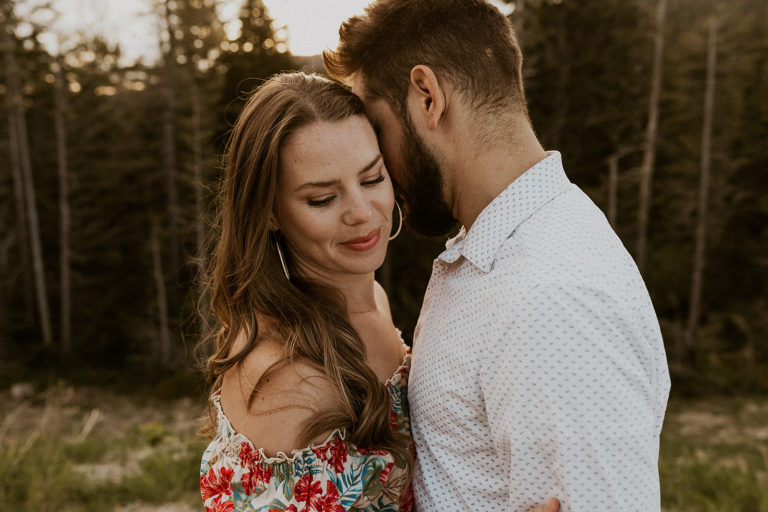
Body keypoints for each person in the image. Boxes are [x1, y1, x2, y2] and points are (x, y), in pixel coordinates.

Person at [324, 1, 671, 511]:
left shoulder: (551, 298)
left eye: (378, 129)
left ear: (428, 96)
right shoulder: (499, 254)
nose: (379, 164)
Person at [197, 72, 560, 512]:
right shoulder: (288, 378)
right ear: (269, 212)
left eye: (372, 179)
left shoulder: (373, 304)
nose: (362, 212)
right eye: (322, 199)